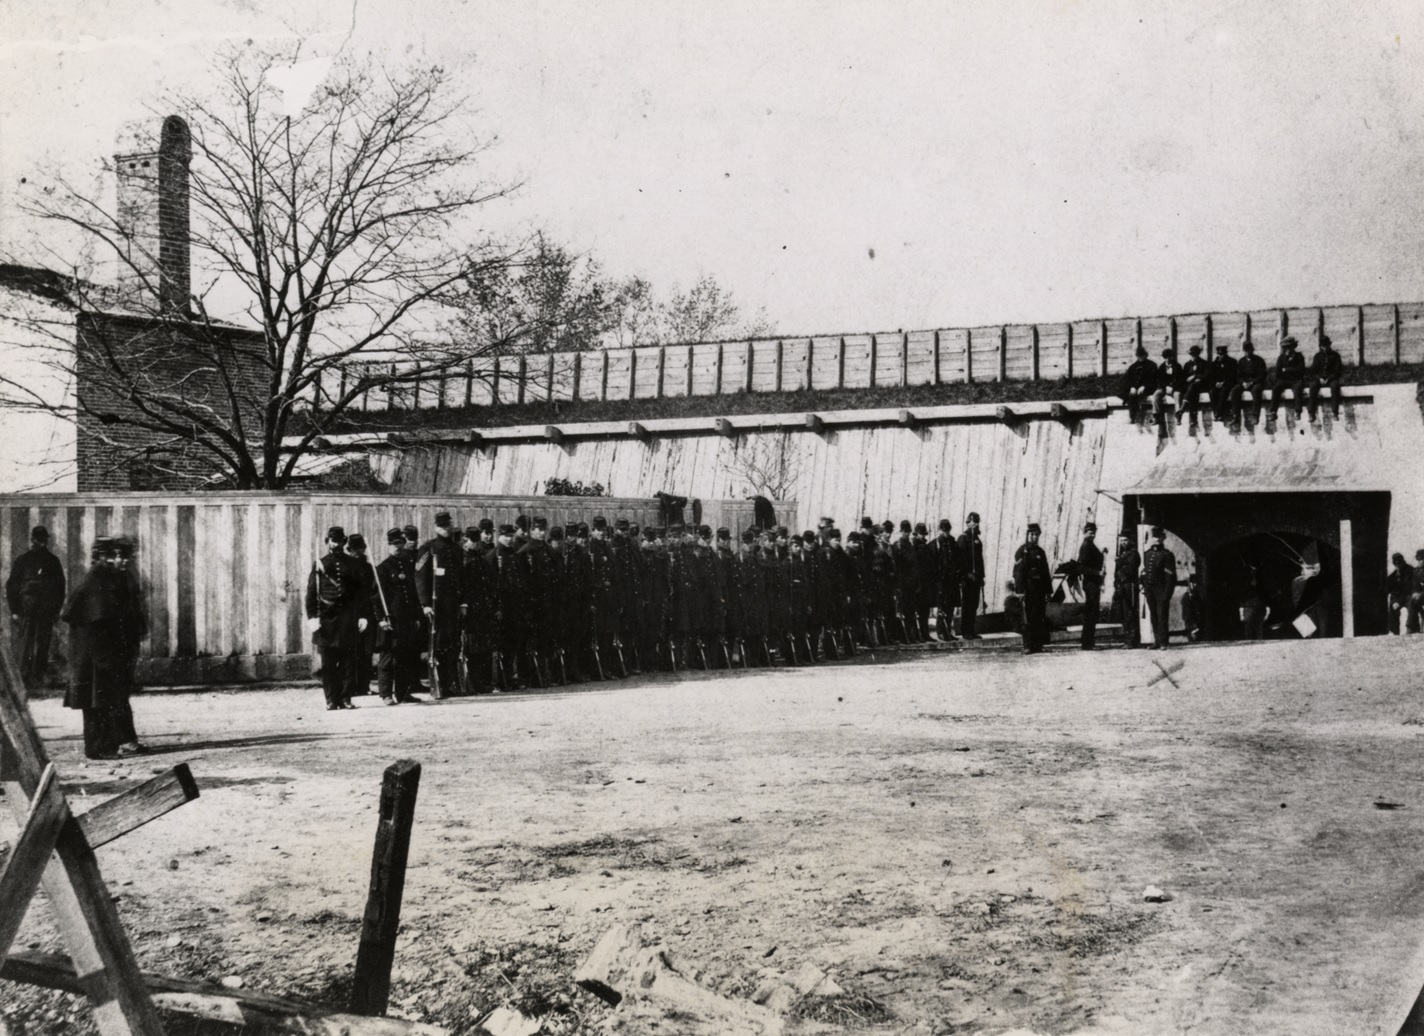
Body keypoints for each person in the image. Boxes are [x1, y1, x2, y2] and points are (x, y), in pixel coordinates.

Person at [62, 538, 147, 759]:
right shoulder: (98, 582)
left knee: (102, 701)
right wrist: (107, 659)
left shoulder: (108, 578)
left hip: (99, 655)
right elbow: (96, 624)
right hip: (96, 656)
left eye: (124, 556)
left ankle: (108, 745)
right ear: (100, 558)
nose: (119, 560)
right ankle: (99, 749)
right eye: (113, 556)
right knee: (97, 703)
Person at [306, 526, 366, 710]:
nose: (336, 544)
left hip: (347, 619)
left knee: (348, 662)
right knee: (329, 664)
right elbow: (311, 594)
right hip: (326, 620)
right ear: (327, 542)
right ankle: (331, 700)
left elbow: (360, 594)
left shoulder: (353, 564)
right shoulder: (320, 564)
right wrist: (312, 617)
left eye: (340, 541)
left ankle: (346, 698)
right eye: (333, 541)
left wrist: (362, 615)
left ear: (344, 542)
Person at [7, 525, 66, 690]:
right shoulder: (23, 561)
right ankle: (23, 681)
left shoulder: (53, 561)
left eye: (43, 540)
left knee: (43, 646)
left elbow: (60, 587)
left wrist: (56, 610)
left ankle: (39, 679)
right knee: (26, 647)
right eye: (37, 539)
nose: (40, 543)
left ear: (46, 541)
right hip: (27, 612)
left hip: (46, 612)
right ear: (32, 540)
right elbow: (12, 587)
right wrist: (15, 611)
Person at [414, 512, 464, 700]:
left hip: (453, 605)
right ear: (436, 528)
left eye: (448, 526)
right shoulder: (429, 549)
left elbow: (461, 578)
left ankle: (451, 683)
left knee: (452, 643)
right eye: (442, 527)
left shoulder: (457, 550)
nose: (446, 529)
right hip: (437, 606)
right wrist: (425, 604)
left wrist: (463, 602)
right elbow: (420, 578)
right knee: (438, 645)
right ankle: (438, 684)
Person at [375, 528, 423, 704]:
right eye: (394, 545)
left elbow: (413, 593)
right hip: (391, 619)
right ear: (388, 546)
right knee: (388, 658)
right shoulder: (383, 568)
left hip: (407, 620)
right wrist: (381, 619)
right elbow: (377, 597)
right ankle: (386, 694)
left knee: (405, 658)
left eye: (400, 544)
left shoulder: (408, 566)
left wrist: (417, 616)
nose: (397, 548)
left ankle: (403, 693)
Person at [345, 533, 378, 697]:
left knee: (366, 652)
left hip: (367, 613)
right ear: (349, 550)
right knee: (352, 652)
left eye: (360, 549)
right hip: (351, 615)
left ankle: (364, 685)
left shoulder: (368, 568)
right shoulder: (347, 567)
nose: (357, 553)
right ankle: (351, 686)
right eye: (353, 550)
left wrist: (367, 614)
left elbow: (372, 592)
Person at [1012, 522, 1052, 654]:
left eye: (1036, 535)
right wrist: (1020, 590)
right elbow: (1018, 572)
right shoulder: (1022, 551)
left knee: (1038, 616)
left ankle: (1038, 644)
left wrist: (1048, 591)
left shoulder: (1041, 552)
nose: (1034, 537)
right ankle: (1028, 645)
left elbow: (1045, 573)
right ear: (1028, 535)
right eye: (1032, 534)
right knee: (1027, 618)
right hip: (1028, 588)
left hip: (1039, 588)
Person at [1141, 527, 1177, 650]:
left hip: (1161, 590)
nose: (1156, 539)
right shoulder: (1147, 554)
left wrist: (1167, 593)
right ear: (1151, 538)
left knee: (1162, 616)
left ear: (1163, 538)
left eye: (1159, 537)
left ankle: (1163, 642)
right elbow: (1144, 572)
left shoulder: (1167, 555)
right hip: (1149, 590)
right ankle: (1156, 641)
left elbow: (1170, 577)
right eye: (1154, 537)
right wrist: (1143, 586)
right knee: (1154, 616)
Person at [1077, 521, 1105, 650]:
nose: (1092, 534)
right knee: (1091, 612)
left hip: (1094, 582)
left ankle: (1088, 641)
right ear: (1085, 533)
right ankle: (1087, 643)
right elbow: (1081, 567)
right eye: (1090, 532)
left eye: (1094, 532)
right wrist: (1098, 572)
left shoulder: (1091, 545)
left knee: (1092, 612)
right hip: (1090, 583)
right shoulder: (1086, 546)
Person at [957, 513, 985, 639]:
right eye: (972, 522)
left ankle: (972, 630)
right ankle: (965, 631)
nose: (975, 524)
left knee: (974, 604)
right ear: (968, 523)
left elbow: (980, 560)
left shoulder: (977, 540)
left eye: (976, 522)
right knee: (967, 604)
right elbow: (960, 560)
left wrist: (981, 576)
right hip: (968, 578)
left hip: (977, 578)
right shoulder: (963, 538)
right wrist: (966, 574)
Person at [1230, 338, 1269, 429]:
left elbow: (1262, 375)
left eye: (1249, 350)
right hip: (1244, 383)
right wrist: (1243, 382)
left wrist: (1252, 382)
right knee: (1235, 390)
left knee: (1257, 390)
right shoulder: (1241, 361)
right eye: (1246, 351)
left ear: (1252, 350)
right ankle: (1236, 416)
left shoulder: (1259, 360)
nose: (1247, 353)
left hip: (1255, 382)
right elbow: (1238, 375)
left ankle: (1255, 415)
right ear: (1244, 351)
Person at [1112, 532, 1141, 648]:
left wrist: (1120, 561)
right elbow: (1117, 572)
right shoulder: (1123, 554)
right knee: (1124, 613)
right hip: (1121, 586)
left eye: (1125, 540)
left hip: (1130, 585)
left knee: (1130, 612)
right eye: (1121, 540)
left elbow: (1129, 571)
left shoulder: (1134, 554)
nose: (1123, 542)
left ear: (1131, 541)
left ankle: (1132, 641)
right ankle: (1128, 640)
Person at [932, 519, 960, 642]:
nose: (946, 533)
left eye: (947, 530)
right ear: (939, 530)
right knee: (942, 607)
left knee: (950, 607)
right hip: (941, 581)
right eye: (944, 530)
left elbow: (957, 560)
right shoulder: (936, 544)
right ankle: (940, 632)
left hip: (951, 580)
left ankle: (948, 630)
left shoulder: (953, 543)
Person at [1307, 333, 1344, 420]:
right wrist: (1319, 378)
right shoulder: (1318, 356)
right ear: (1320, 346)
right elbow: (1313, 371)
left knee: (1335, 386)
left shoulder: (1335, 356)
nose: (1324, 348)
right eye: (1322, 346)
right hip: (1319, 379)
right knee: (1312, 386)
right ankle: (1311, 413)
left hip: (1331, 379)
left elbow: (1338, 371)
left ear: (1329, 345)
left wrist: (1329, 378)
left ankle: (1335, 412)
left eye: (1326, 345)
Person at [1270, 335, 1306, 422]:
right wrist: (1290, 372)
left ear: (1294, 347)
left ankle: (1297, 411)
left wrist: (1286, 370)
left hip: (1296, 380)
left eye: (1290, 347)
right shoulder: (1281, 358)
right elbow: (1278, 372)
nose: (1288, 349)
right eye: (1286, 347)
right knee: (1276, 388)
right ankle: (1273, 412)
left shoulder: (1299, 357)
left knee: (1298, 388)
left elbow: (1301, 370)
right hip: (1284, 380)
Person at [1119, 346, 1158, 424]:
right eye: (1138, 356)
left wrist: (1145, 386)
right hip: (1136, 389)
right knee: (1131, 394)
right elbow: (1128, 379)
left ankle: (1138, 417)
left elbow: (1153, 379)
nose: (1140, 357)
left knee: (1138, 395)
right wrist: (1132, 387)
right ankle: (1132, 417)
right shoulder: (1133, 367)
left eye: (1142, 355)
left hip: (1148, 388)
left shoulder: (1152, 365)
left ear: (1146, 355)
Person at [1151, 347, 1185, 436]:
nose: (1168, 359)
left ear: (1172, 357)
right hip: (1164, 388)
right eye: (1166, 357)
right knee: (1156, 395)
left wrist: (1172, 387)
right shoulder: (1161, 367)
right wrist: (1165, 387)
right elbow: (1159, 380)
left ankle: (1178, 416)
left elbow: (1181, 380)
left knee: (1178, 395)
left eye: (1170, 357)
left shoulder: (1178, 366)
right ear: (1164, 358)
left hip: (1175, 388)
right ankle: (1156, 416)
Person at [1208, 339, 1239, 426]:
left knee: (1224, 392)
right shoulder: (1214, 364)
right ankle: (1215, 413)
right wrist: (1216, 383)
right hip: (1217, 384)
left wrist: (1224, 383)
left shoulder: (1232, 362)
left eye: (1222, 354)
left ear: (1226, 353)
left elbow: (1233, 376)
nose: (1221, 356)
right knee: (1212, 392)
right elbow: (1211, 376)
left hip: (1227, 384)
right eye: (1219, 354)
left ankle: (1219, 413)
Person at [1180, 344, 1209, 429]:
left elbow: (1207, 376)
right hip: (1190, 388)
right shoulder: (1187, 364)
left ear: (1198, 354)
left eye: (1195, 354)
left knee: (1194, 387)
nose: (1193, 356)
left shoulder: (1204, 363)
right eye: (1192, 354)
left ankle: (1183, 408)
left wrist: (1196, 376)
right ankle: (1193, 420)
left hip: (1202, 386)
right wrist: (1188, 380)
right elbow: (1183, 378)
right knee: (1192, 390)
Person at [1387, 552, 1416, 635]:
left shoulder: (1410, 571)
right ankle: (1393, 630)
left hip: (1408, 596)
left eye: (1399, 563)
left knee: (1411, 601)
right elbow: (1391, 590)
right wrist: (1395, 601)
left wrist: (1398, 601)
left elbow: (1408, 589)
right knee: (1392, 602)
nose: (1398, 565)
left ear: (1403, 561)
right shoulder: (1394, 575)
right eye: (1396, 564)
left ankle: (1410, 628)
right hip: (1400, 598)